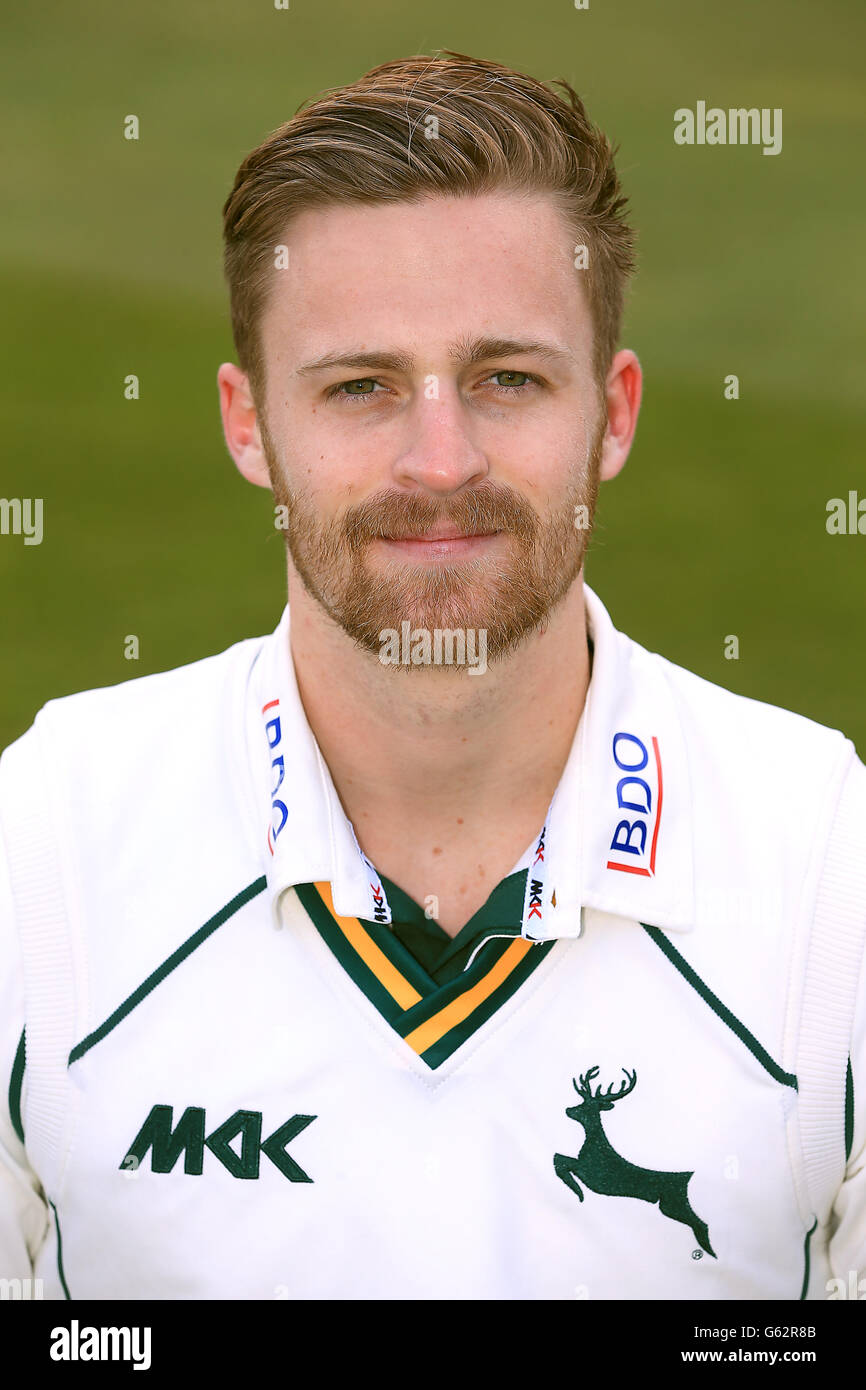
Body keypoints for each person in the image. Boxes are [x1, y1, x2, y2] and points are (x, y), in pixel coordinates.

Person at [1, 51, 863, 1301]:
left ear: (612, 412)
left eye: (506, 378)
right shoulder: (40, 846)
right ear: (248, 425)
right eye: (361, 387)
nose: (440, 460)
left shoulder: (830, 868)